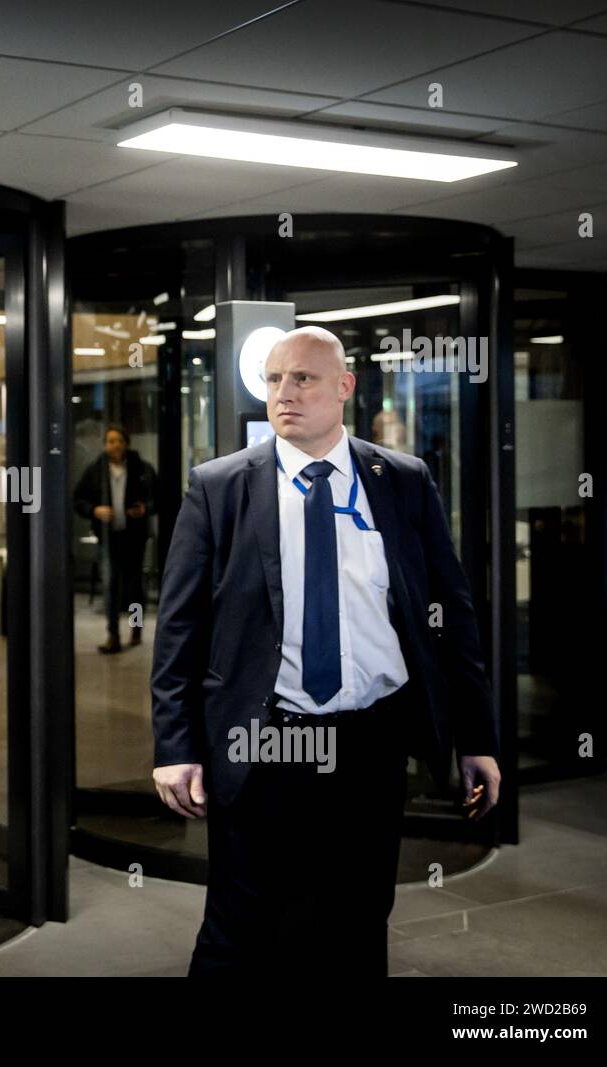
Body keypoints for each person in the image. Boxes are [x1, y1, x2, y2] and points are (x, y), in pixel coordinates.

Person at [150, 325, 500, 977]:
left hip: (370, 738)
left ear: (344, 388)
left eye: (303, 378)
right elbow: (179, 628)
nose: (284, 393)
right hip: (264, 738)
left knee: (357, 918)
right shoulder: (220, 487)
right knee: (239, 925)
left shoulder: (401, 480)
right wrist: (175, 747)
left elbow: (453, 617)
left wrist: (476, 735)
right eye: (274, 379)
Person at [74, 424, 157, 653]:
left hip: (134, 538)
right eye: (110, 441)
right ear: (105, 445)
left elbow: (158, 498)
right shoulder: (96, 471)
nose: (114, 445)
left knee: (134, 587)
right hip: (108, 539)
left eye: (118, 440)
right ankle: (113, 634)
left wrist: (144, 509)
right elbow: (78, 500)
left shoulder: (142, 469)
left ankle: (136, 628)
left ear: (126, 444)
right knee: (110, 586)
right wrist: (95, 511)